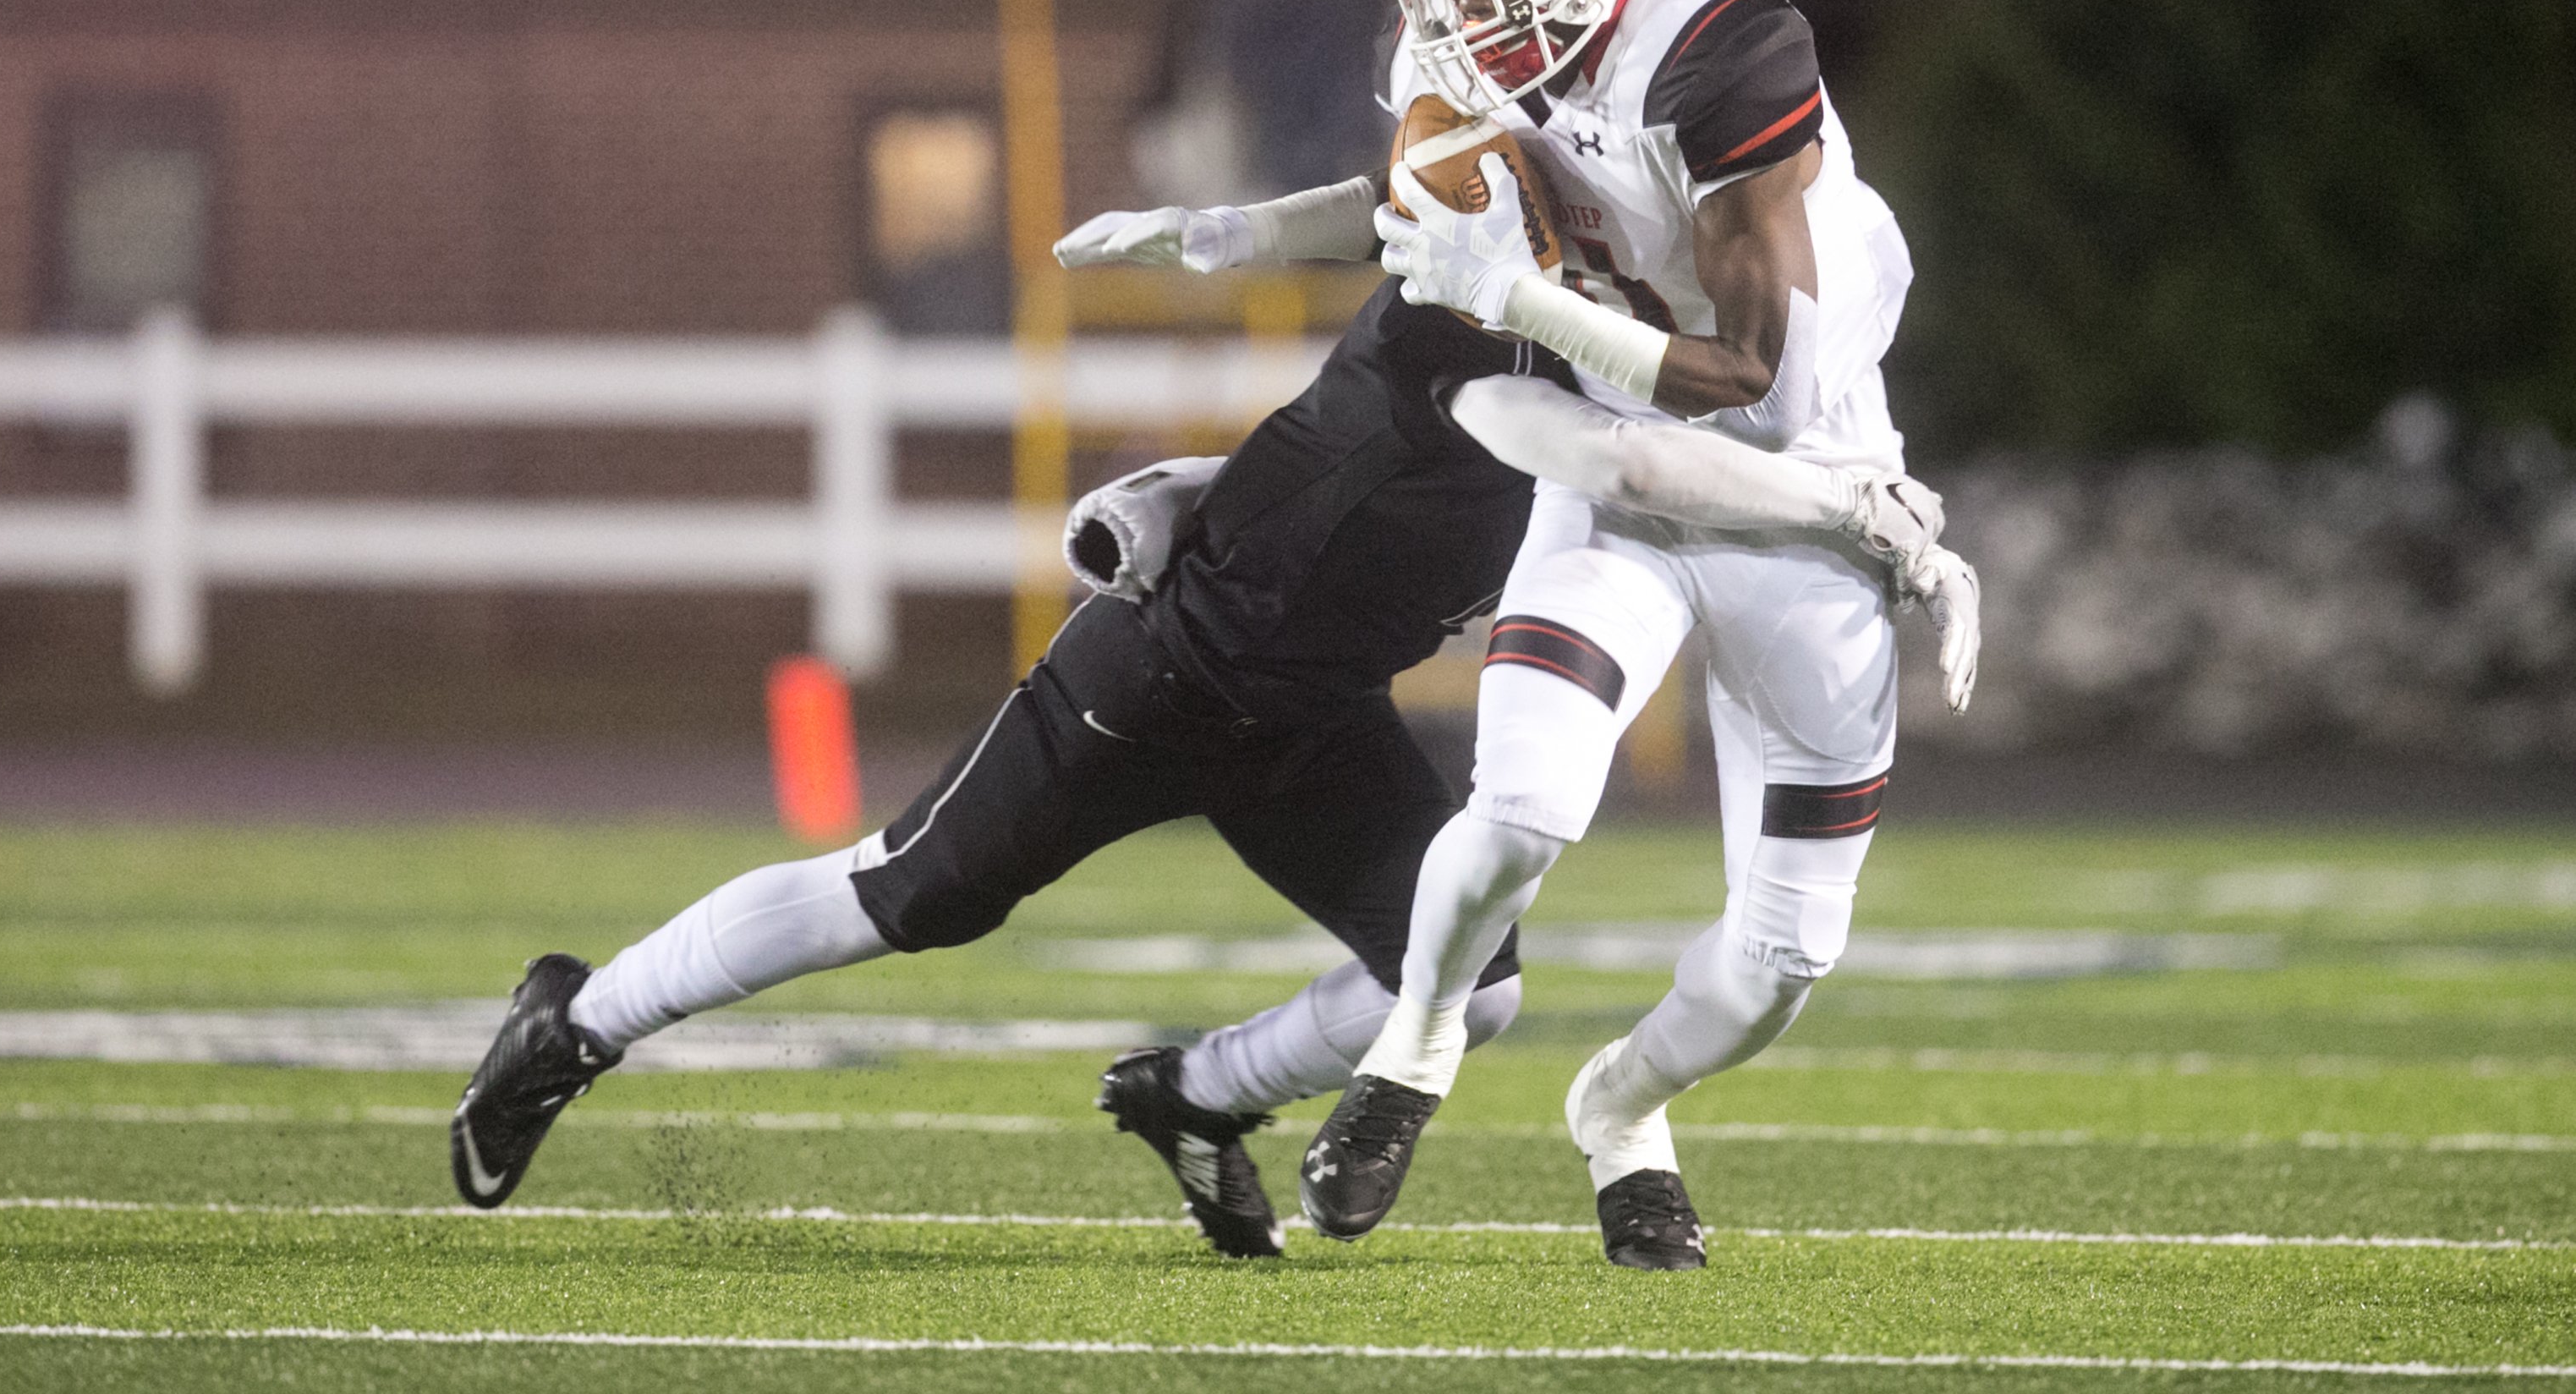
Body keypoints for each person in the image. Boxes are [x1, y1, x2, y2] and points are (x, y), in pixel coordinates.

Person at [447, 177, 1958, 1261]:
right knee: (906, 893)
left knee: (1467, 986)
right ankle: (571, 1023)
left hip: (1308, 707)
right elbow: (1616, 466)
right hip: (1165, 678)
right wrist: (1861, 510)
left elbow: (1369, 289)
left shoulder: (1539, 305)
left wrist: (1227, 256)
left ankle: (1193, 1095)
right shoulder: (1478, 350)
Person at [1252, 0, 1959, 1271]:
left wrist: (1511, 296)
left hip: (1803, 490)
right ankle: (1414, 1052)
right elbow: (1418, 202)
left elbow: (1743, 373)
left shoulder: (1725, 53)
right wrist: (1238, 235)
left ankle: (1622, 1108)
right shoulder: (1466, 57)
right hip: (1618, 474)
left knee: (1780, 962)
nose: (1471, 22)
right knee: (1522, 805)